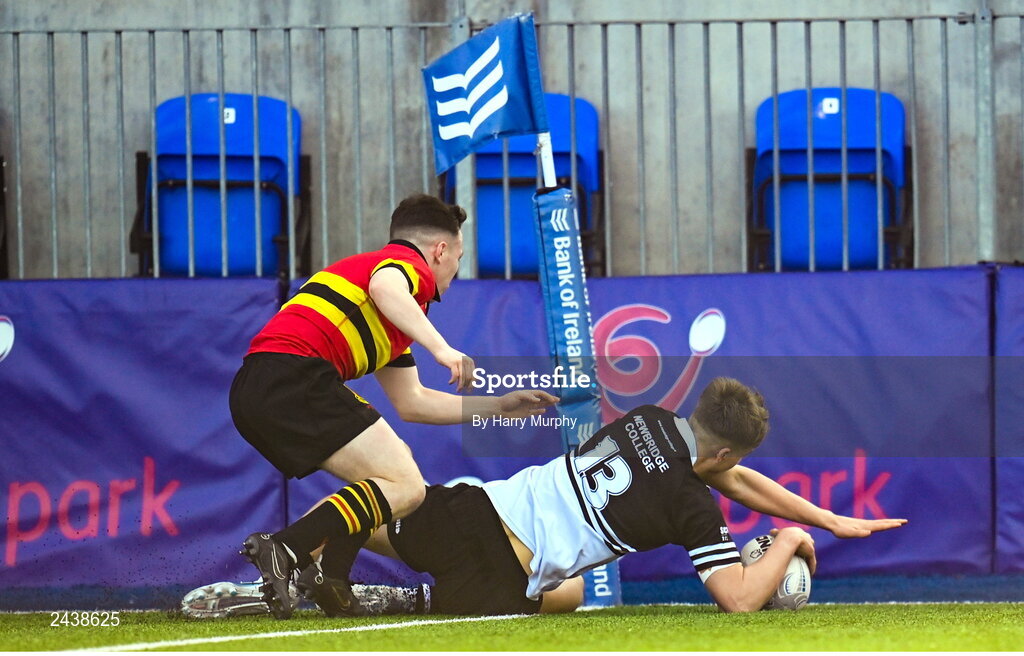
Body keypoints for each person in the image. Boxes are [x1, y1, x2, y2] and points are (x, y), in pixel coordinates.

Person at [190, 377, 906, 618]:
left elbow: (732, 476)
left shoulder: (651, 418)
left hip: (467, 508)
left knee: (389, 498)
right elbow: (741, 600)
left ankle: (301, 556)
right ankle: (339, 592)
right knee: (555, 594)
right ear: (718, 456)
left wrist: (824, 515)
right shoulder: (696, 507)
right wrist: (789, 540)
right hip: (496, 575)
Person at [229, 193, 558, 619]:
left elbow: (414, 402)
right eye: (458, 257)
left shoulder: (392, 317)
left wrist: (497, 406)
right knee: (407, 485)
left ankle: (332, 578)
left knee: (388, 478)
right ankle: (286, 549)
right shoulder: (400, 268)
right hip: (293, 376)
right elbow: (387, 287)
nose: (456, 270)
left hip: (258, 389)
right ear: (440, 251)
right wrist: (443, 349)